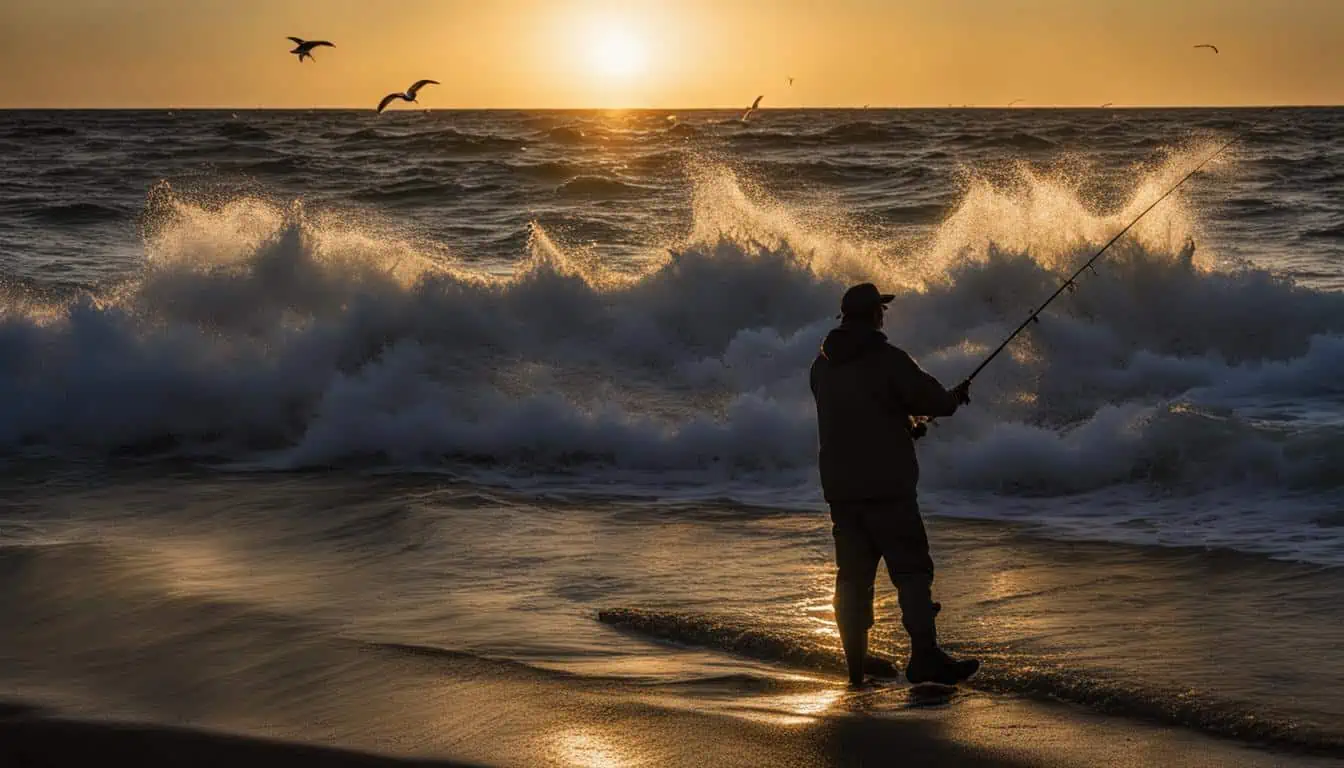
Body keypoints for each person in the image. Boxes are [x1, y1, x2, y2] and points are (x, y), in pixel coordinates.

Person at [809, 282, 980, 687]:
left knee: (852, 579)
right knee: (912, 572)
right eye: (881, 310)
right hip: (888, 489)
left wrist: (902, 425)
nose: (884, 316)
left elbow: (860, 413)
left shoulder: (820, 367)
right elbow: (936, 402)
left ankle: (855, 666)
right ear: (874, 316)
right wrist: (956, 398)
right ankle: (924, 658)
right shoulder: (889, 360)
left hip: (841, 491)